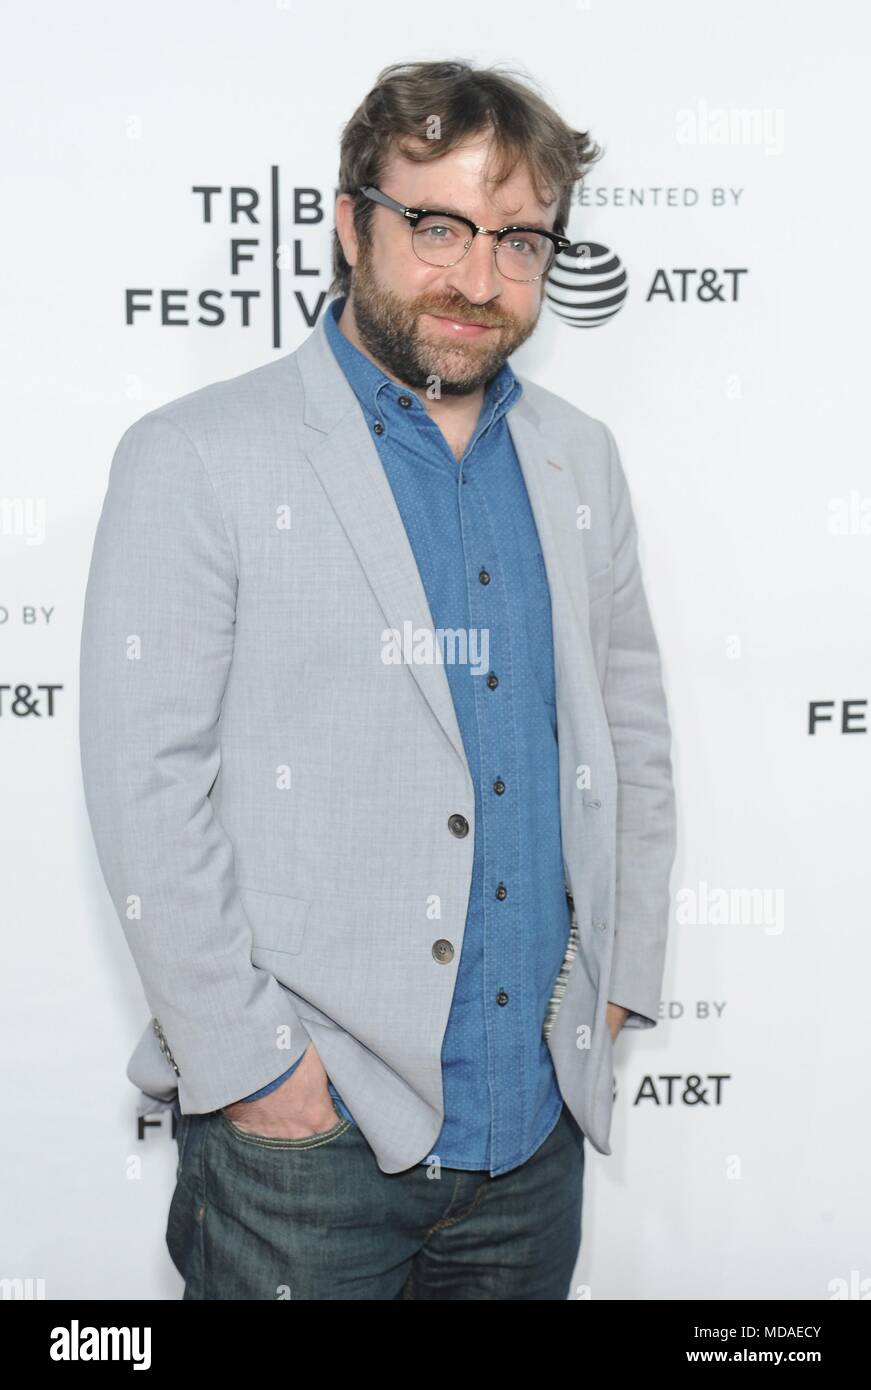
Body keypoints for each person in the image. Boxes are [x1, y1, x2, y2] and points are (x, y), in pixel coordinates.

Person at [79, 58, 676, 1300]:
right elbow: (147, 787)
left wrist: (619, 989)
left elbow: (630, 736)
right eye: (436, 224)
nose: (476, 276)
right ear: (351, 222)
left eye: (520, 240)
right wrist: (256, 1071)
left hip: (534, 1133)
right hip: (307, 1148)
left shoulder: (581, 461)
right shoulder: (197, 456)